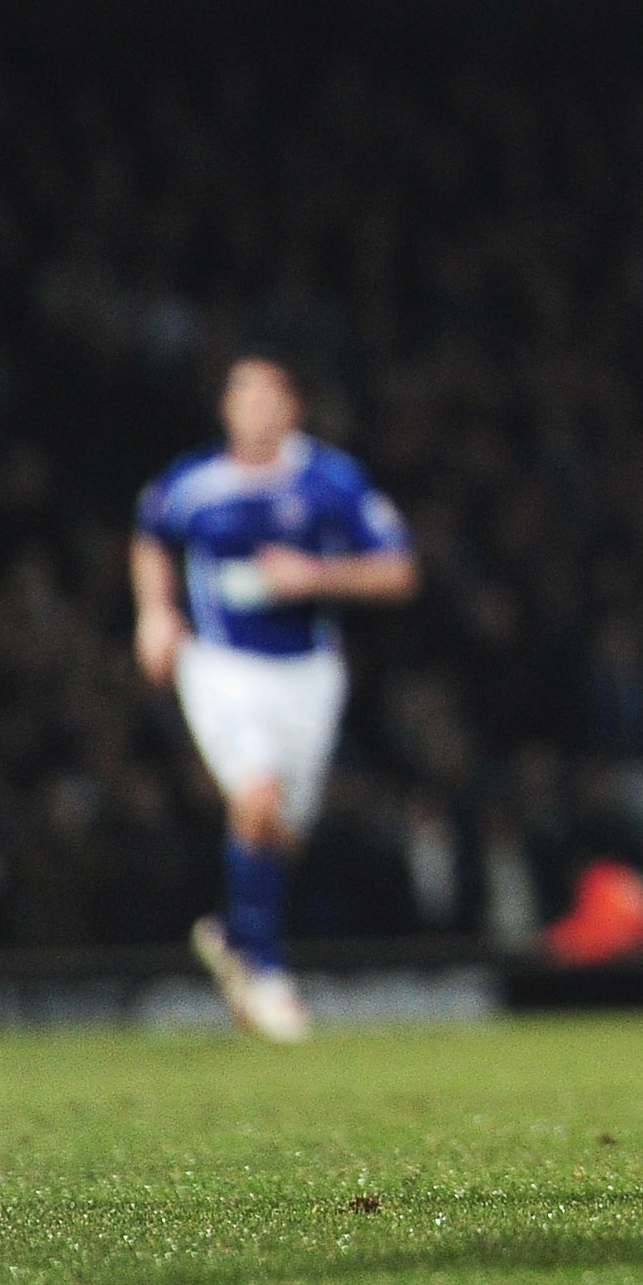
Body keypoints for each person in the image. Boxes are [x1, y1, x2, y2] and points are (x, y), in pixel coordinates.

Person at [130, 354, 418, 1041]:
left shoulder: (330, 479)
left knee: (282, 832)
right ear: (226, 409)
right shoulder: (193, 482)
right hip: (223, 666)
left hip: (308, 674)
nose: (256, 408)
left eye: (270, 395)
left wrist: (316, 574)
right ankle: (264, 969)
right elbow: (150, 537)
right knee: (255, 800)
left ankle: (236, 936)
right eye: (243, 395)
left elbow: (397, 572)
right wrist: (155, 612)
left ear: (294, 408)